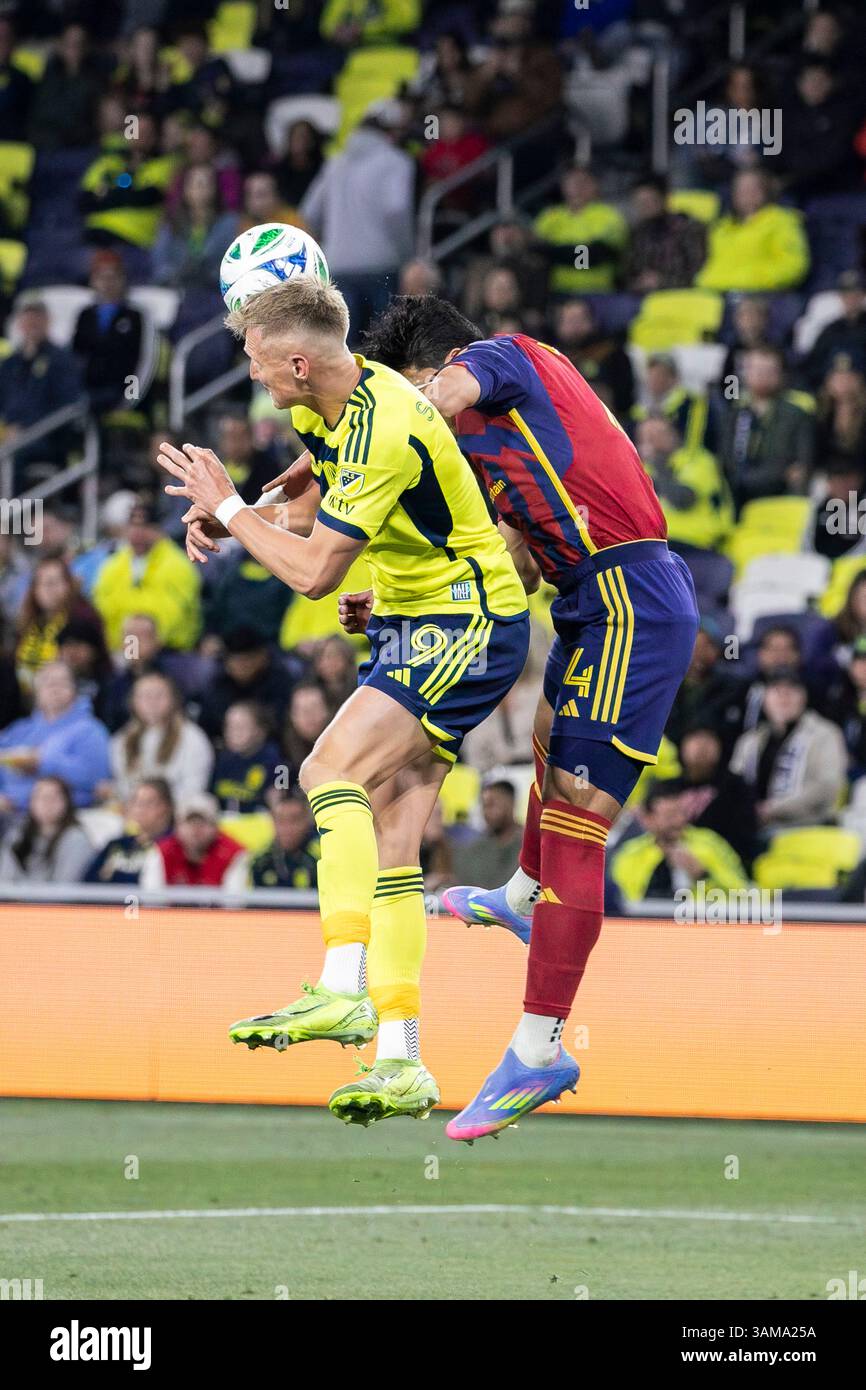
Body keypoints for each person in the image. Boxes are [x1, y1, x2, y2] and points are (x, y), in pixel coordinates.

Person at [160, 276, 529, 1127]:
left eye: (255, 361)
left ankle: (341, 989)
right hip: (412, 619)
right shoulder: (317, 410)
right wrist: (238, 516)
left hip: (467, 619)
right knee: (396, 834)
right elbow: (310, 510)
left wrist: (227, 504)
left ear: (295, 360)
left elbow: (316, 574)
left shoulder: (389, 422)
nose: (251, 376)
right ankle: (402, 1059)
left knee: (329, 768)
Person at [359, 293, 698, 1140]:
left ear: (438, 370)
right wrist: (400, 601)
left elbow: (426, 409)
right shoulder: (499, 447)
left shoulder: (507, 356)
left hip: (632, 597)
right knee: (548, 744)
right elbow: (516, 564)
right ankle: (519, 893)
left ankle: (540, 1050)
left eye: (413, 387)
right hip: (592, 602)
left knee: (581, 819)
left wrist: (361, 421)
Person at [729, 669, 848, 833]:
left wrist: (771, 809)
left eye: (792, 689)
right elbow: (733, 785)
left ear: (804, 697)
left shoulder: (825, 734)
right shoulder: (750, 741)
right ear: (764, 699)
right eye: (776, 690)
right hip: (752, 828)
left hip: (807, 828)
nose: (783, 696)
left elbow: (826, 787)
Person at [608, 779, 748, 905]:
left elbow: (743, 895)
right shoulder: (631, 855)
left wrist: (703, 876)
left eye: (682, 813)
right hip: (646, 926)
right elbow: (619, 902)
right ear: (648, 819)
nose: (679, 821)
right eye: (670, 816)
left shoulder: (710, 843)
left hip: (700, 924)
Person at [93, 496, 201, 651]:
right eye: (133, 526)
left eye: (144, 526)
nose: (137, 533)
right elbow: (103, 609)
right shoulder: (112, 566)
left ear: (158, 529)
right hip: (120, 650)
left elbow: (172, 616)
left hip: (169, 652)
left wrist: (136, 633)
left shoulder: (178, 565)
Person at [0, 662, 110, 812]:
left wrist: (42, 762)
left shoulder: (90, 729)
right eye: (47, 682)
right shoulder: (19, 730)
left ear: (74, 690)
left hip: (68, 816)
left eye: (62, 683)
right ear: (36, 691)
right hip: (10, 814)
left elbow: (95, 778)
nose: (54, 688)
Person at [719, 346, 815, 512]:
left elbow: (802, 468)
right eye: (756, 369)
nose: (762, 376)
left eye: (769, 370)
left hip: (779, 500)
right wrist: (781, 473)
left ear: (781, 375)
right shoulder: (735, 413)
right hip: (735, 498)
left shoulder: (797, 414)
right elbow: (726, 460)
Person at [696, 170, 810, 293]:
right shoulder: (722, 227)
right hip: (716, 291)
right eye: (740, 189)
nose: (746, 194)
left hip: (761, 294)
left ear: (766, 190)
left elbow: (793, 266)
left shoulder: (782, 221)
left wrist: (750, 279)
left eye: (753, 188)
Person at [110, 670, 214, 804]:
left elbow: (194, 789)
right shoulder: (122, 739)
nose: (152, 702)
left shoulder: (193, 738)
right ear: (133, 701)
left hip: (176, 811)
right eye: (145, 696)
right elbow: (122, 784)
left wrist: (155, 806)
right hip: (134, 811)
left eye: (159, 695)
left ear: (173, 700)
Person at [534, 165, 628, 295]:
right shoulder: (550, 216)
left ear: (595, 185)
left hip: (598, 293)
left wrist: (555, 253)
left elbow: (593, 257)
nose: (577, 187)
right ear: (563, 186)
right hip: (557, 293)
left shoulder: (609, 216)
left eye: (583, 182)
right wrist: (577, 252)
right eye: (571, 182)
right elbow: (536, 251)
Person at [72, 251, 146, 417]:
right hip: (88, 389)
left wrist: (131, 397)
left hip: (120, 389)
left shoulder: (135, 316)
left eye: (113, 277)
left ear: (122, 280)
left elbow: (141, 358)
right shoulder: (85, 315)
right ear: (93, 281)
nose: (108, 283)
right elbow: (77, 352)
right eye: (102, 278)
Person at [15, 555, 104, 693]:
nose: (48, 589)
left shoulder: (83, 622)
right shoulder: (28, 623)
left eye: (54, 582)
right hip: (27, 702)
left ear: (68, 586)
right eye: (42, 583)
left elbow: (87, 670)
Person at [141, 792, 248, 893]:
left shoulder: (234, 853)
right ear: (177, 826)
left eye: (203, 822)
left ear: (216, 827)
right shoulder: (160, 852)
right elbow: (152, 904)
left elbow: (234, 906)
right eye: (189, 822)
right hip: (170, 913)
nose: (196, 830)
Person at [0, 775, 94, 884]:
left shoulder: (76, 839)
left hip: (52, 900)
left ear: (67, 802)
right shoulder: (18, 835)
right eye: (40, 797)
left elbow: (66, 888)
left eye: (53, 798)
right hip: (16, 899)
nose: (46, 803)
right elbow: (5, 879)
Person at [84, 777, 174, 884]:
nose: (139, 809)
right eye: (135, 801)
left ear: (166, 807)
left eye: (148, 803)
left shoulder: (173, 848)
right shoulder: (117, 845)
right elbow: (88, 885)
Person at [625, 173, 705, 292]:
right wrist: (638, 283)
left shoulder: (688, 229)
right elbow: (627, 273)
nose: (645, 207)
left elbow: (698, 272)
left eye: (650, 201)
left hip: (683, 297)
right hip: (643, 299)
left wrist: (662, 281)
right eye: (640, 203)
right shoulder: (636, 233)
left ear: (664, 198)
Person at [211, 701, 282, 814]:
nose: (233, 733)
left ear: (260, 731)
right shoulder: (221, 760)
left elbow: (282, 796)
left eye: (240, 727)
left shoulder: (275, 759)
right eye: (229, 727)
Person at [450, 780, 522, 890]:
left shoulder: (527, 843)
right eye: (484, 806)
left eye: (492, 804)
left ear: (510, 803)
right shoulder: (473, 850)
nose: (487, 811)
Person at [250, 791, 319, 890]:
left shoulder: (323, 856)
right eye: (281, 820)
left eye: (294, 820)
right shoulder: (259, 860)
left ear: (308, 820)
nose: (287, 828)